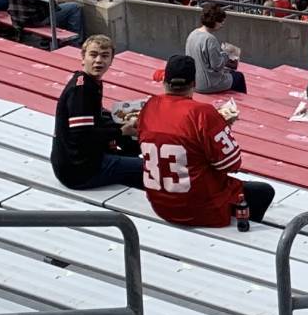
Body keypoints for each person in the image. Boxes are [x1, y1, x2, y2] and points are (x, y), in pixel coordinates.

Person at [136, 54, 274, 229]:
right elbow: (231, 164)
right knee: (263, 192)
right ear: (194, 83)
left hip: (160, 205)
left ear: (165, 81)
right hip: (201, 209)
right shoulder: (202, 113)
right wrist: (221, 127)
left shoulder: (149, 106)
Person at [51, 36, 140, 190]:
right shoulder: (82, 90)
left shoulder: (87, 82)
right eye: (93, 55)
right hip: (80, 171)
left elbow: (95, 118)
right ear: (83, 58)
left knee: (133, 149)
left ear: (111, 61)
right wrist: (120, 131)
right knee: (150, 168)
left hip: (74, 165)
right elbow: (82, 135)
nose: (99, 60)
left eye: (105, 56)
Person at [186, 3, 245, 94]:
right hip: (208, 84)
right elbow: (217, 66)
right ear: (213, 21)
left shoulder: (193, 34)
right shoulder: (210, 39)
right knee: (239, 77)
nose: (222, 24)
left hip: (193, 82)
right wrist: (228, 52)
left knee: (230, 73)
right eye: (220, 21)